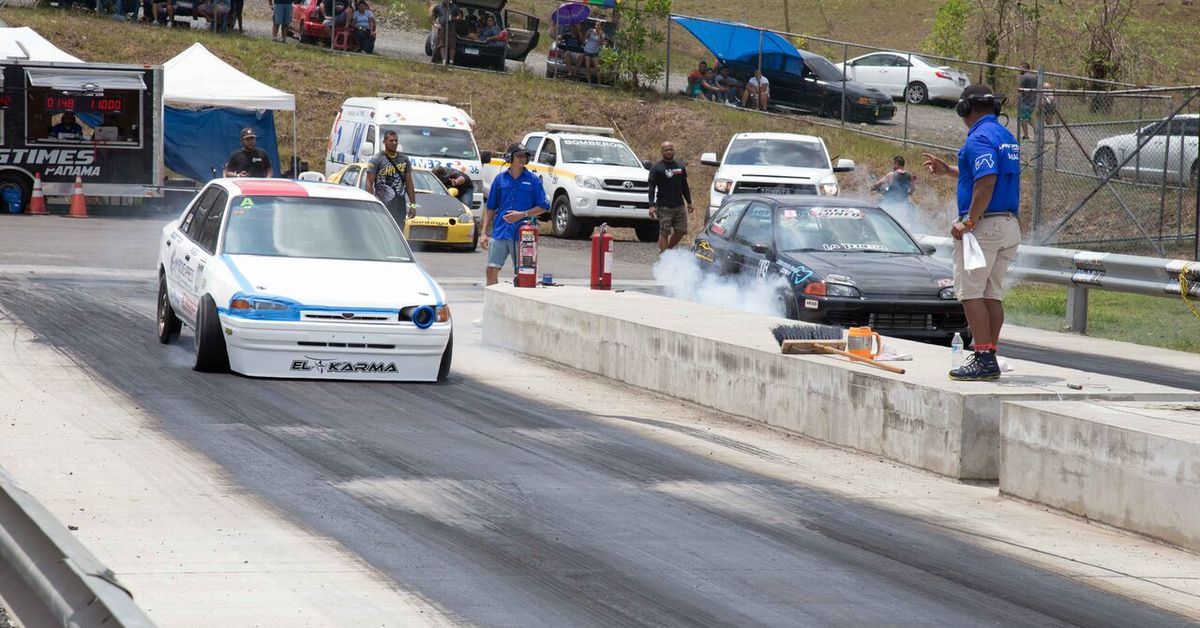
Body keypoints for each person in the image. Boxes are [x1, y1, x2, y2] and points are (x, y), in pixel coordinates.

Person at [922, 84, 1022, 381]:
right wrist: (949, 171)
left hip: (984, 226)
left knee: (970, 294)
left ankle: (982, 356)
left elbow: (986, 181)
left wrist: (969, 221)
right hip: (1008, 225)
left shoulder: (978, 137)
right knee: (992, 294)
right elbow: (983, 173)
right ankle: (989, 354)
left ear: (965, 109)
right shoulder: (1006, 137)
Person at [482, 143, 549, 286]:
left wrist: (523, 214)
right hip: (500, 231)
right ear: (509, 157)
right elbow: (490, 207)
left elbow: (544, 206)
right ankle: (494, 301)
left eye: (525, 156)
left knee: (524, 273)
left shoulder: (533, 180)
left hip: (524, 234)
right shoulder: (499, 179)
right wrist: (484, 232)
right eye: (519, 156)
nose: (522, 159)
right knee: (491, 269)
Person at [647, 141, 693, 252]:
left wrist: (689, 202)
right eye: (666, 150)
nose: (669, 151)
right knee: (664, 232)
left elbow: (684, 186)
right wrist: (651, 205)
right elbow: (652, 188)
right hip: (664, 206)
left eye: (671, 149)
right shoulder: (656, 168)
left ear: (674, 150)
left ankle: (667, 250)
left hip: (679, 205)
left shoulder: (680, 166)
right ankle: (664, 259)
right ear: (662, 152)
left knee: (681, 231)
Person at [365, 130, 417, 227]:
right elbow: (369, 183)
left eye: (396, 141)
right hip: (383, 202)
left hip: (399, 202)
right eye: (391, 140)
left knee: (398, 230)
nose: (394, 143)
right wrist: (370, 204)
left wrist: (413, 205)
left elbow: (409, 183)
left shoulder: (404, 159)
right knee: (383, 229)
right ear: (384, 142)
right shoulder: (377, 159)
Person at [871, 155, 916, 227]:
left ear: (896, 164)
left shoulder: (891, 175)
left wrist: (872, 188)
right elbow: (913, 189)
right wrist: (908, 193)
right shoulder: (909, 176)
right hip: (904, 204)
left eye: (894, 164)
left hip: (890, 204)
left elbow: (878, 184)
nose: (893, 166)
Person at [430, 0, 457, 64]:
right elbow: (431, 16)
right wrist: (435, 24)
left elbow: (460, 16)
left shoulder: (454, 7)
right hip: (442, 29)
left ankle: (451, 61)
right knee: (442, 44)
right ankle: (444, 60)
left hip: (451, 29)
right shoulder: (438, 7)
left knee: (452, 44)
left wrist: (453, 18)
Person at [1017, 63, 1038, 141]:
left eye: (1021, 68)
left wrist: (1018, 99)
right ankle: (1037, 130)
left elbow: (1020, 89)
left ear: (1025, 68)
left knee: (1023, 119)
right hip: (1034, 100)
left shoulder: (1024, 77)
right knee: (1027, 117)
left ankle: (1026, 136)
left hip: (1025, 101)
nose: (1020, 70)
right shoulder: (1035, 76)